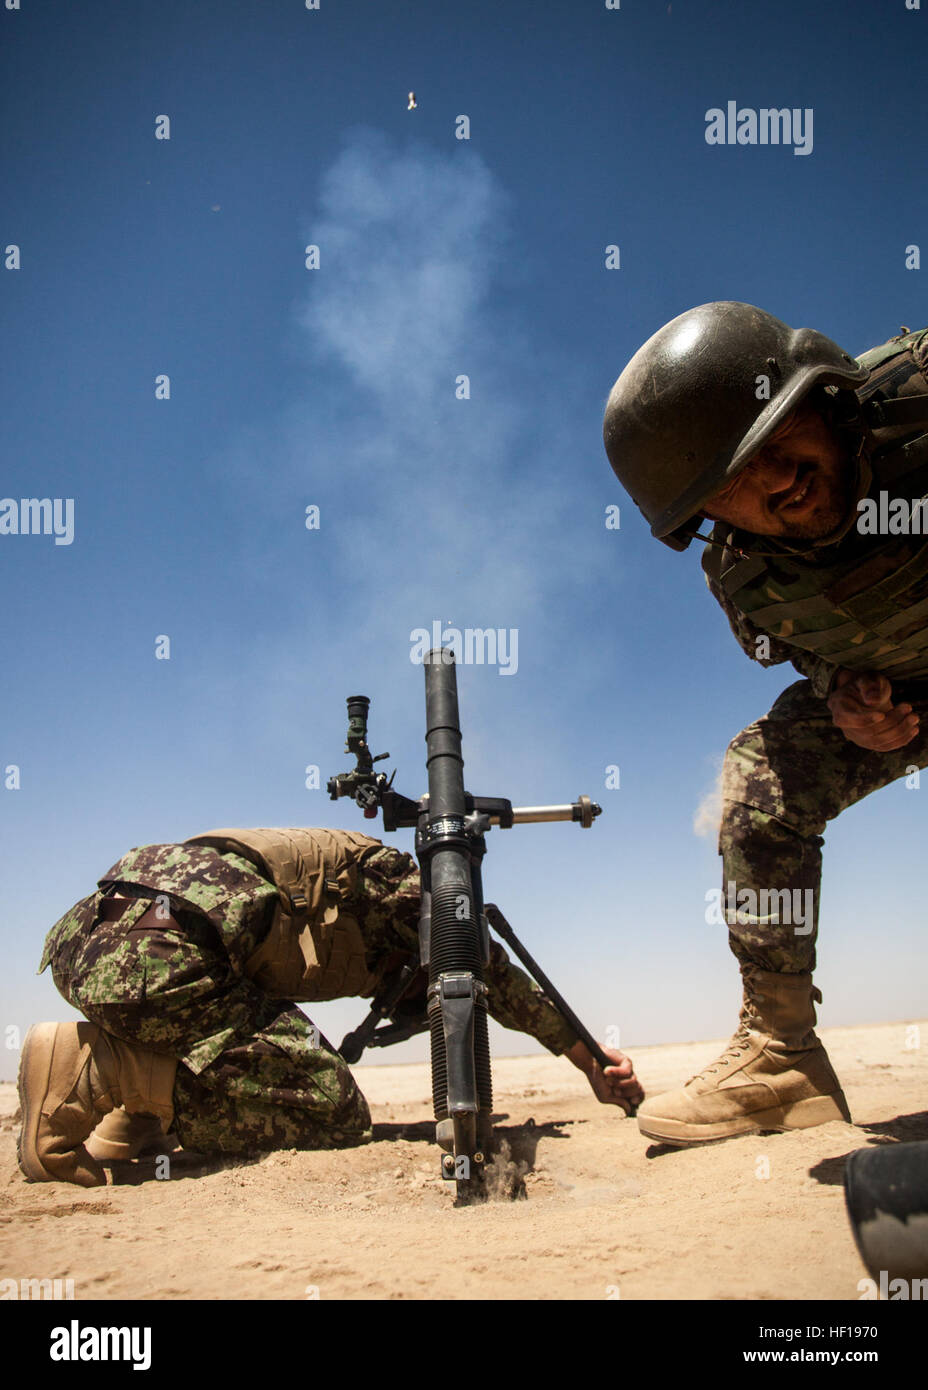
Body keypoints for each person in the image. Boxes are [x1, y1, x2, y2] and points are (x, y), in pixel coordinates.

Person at [602, 301, 928, 1146]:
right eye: (733, 481)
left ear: (825, 399)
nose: (776, 480)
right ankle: (783, 1056)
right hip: (915, 698)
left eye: (780, 440)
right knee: (763, 766)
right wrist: (848, 692)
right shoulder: (744, 576)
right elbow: (809, 651)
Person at [18, 826, 644, 1185]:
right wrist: (590, 1060)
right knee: (332, 1108)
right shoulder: (403, 888)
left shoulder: (328, 880)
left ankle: (138, 1108)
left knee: (251, 1026)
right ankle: (101, 1070)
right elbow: (498, 977)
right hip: (157, 957)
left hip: (96, 942)